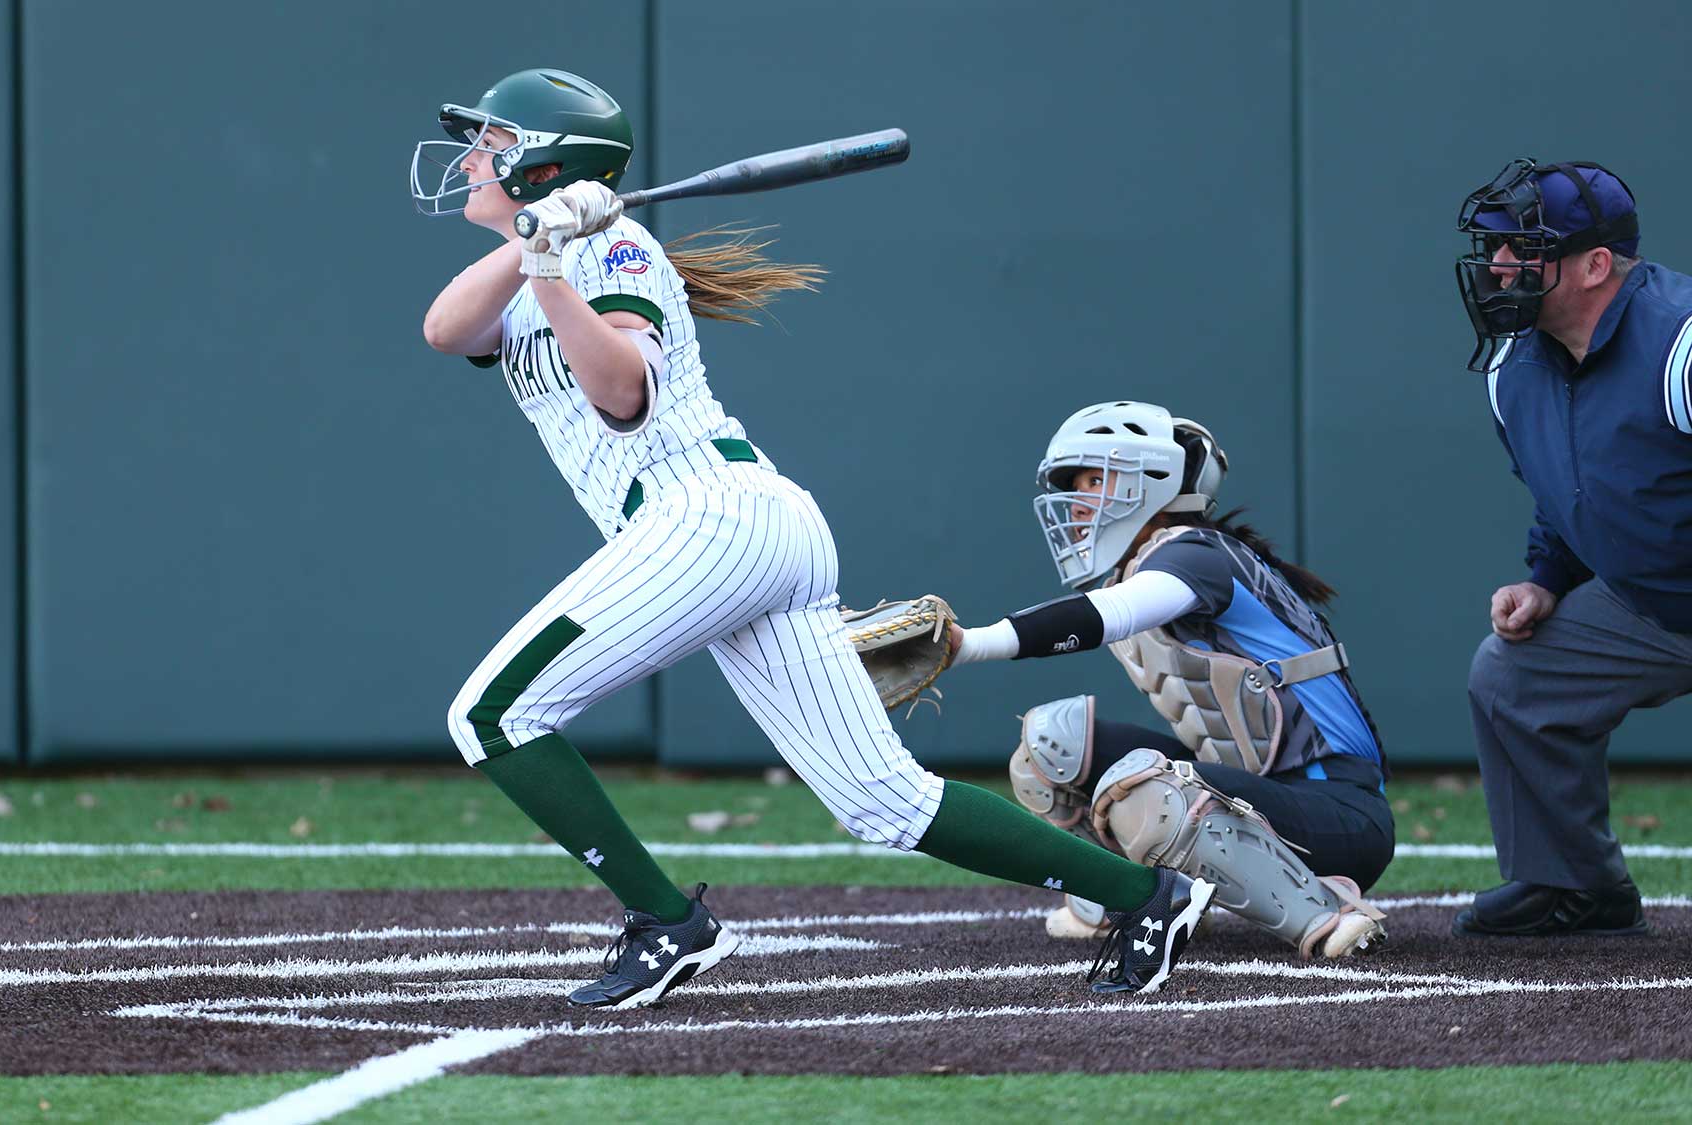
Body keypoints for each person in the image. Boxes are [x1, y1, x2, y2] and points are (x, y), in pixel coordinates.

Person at [412, 68, 1215, 1006]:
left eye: (492, 144)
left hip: (711, 519)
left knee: (493, 714)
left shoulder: (616, 249)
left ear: (545, 162)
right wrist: (535, 242)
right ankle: (1148, 895)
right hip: (734, 537)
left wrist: (553, 263)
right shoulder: (536, 256)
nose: (470, 159)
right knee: (885, 799)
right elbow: (442, 329)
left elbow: (624, 394)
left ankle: (669, 922)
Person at [941, 401, 1391, 958]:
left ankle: (1327, 919)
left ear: (1150, 481)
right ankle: (1133, 899)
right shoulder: (1149, 562)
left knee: (1144, 785)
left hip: (1340, 817)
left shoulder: (1197, 555)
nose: (1078, 503)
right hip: (1261, 798)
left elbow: (1106, 616)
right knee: (1050, 746)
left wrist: (968, 645)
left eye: (1093, 481)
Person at [1450, 158, 1692, 937]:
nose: (1498, 267)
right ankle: (1573, 886)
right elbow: (1568, 491)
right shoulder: (1509, 371)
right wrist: (1548, 577)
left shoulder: (1681, 343)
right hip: (1654, 601)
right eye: (1494, 248)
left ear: (1595, 265)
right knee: (1512, 671)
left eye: (1522, 248)